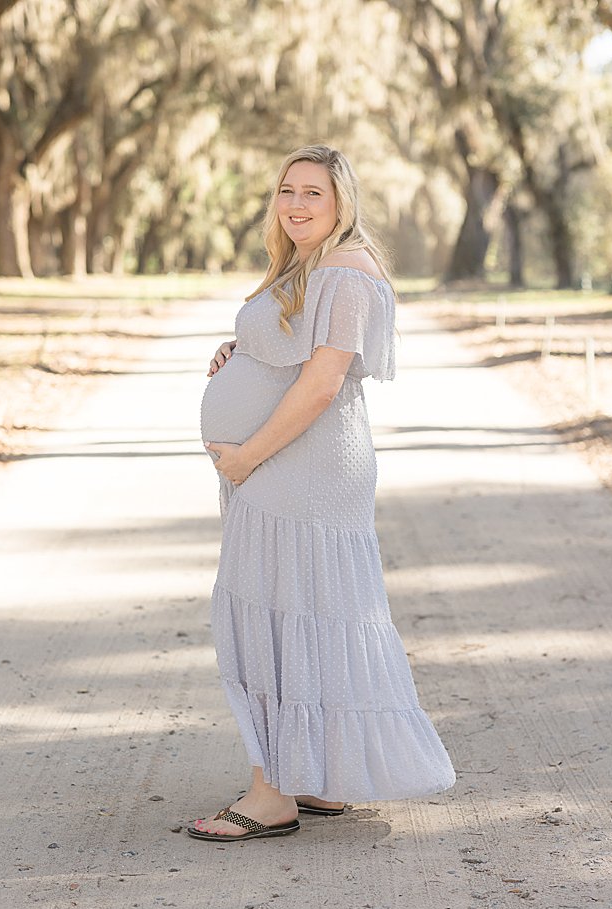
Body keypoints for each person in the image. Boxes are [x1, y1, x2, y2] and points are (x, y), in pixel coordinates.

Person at [191, 145, 456, 841]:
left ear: (341, 202)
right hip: (285, 466)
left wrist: (246, 454)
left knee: (281, 613)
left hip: (296, 469)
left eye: (314, 192)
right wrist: (239, 351)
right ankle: (318, 775)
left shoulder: (344, 269)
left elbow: (322, 384)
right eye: (287, 190)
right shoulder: (309, 267)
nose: (297, 203)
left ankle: (271, 791)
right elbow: (293, 353)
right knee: (308, 608)